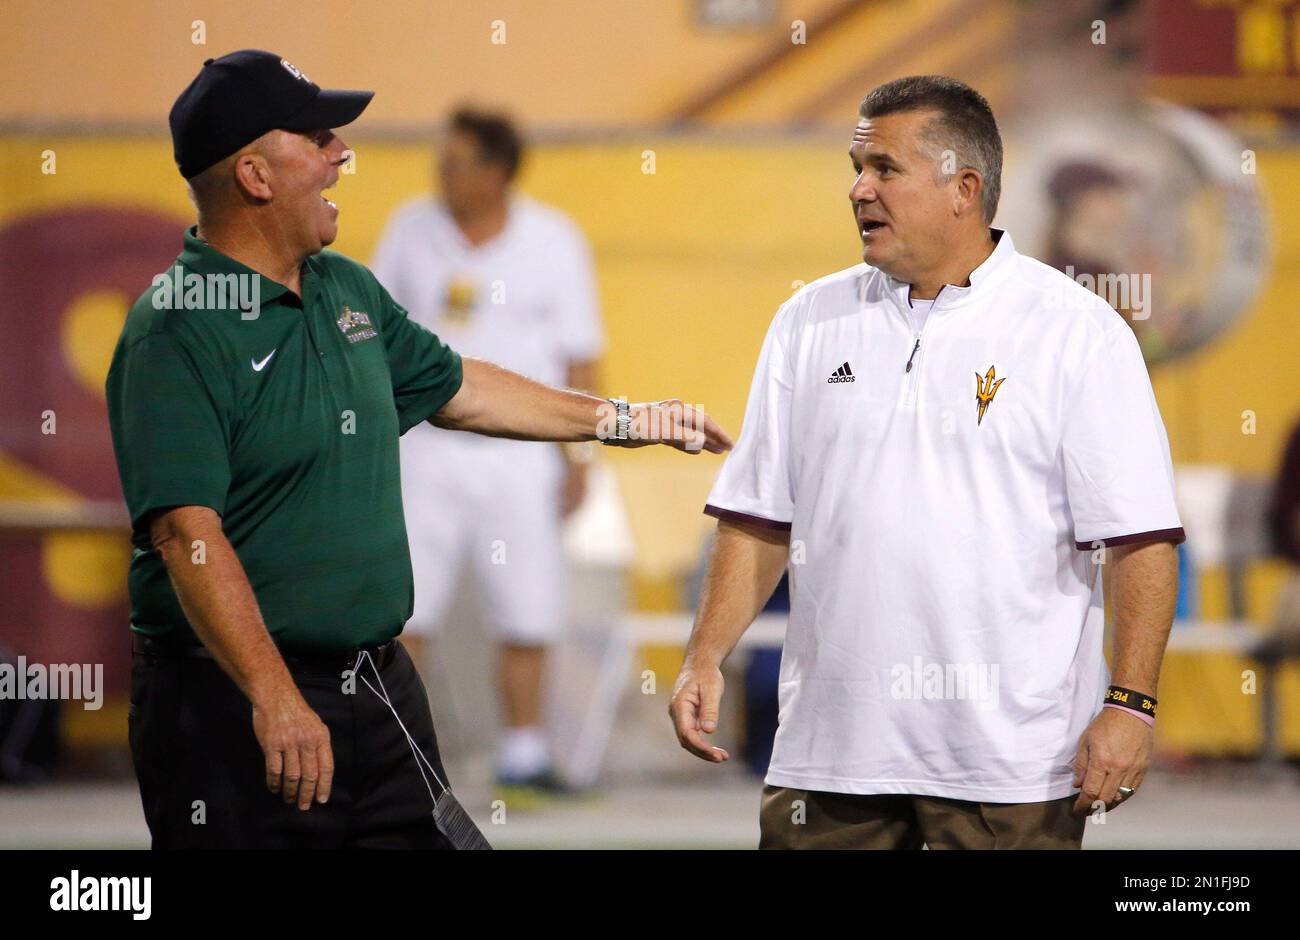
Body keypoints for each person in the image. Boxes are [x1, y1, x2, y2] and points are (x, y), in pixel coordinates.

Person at [105, 49, 730, 849]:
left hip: (375, 686)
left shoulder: (344, 288)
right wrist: (275, 697)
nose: (342, 154)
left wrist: (625, 420)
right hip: (237, 697)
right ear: (256, 176)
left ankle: (525, 750)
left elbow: (459, 387)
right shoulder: (177, 326)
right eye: (319, 137)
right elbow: (186, 534)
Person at [669, 75, 1183, 850]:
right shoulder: (808, 321)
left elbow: (1139, 538)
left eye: (884, 169)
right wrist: (703, 655)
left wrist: (1131, 705)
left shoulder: (1078, 333)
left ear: (962, 187)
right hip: (829, 764)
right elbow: (759, 513)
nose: (857, 189)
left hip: (1010, 769)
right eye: (856, 165)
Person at [370, 109, 602, 795]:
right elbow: (373, 339)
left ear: (499, 171)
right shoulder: (409, 231)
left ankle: (524, 755)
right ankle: (397, 753)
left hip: (522, 451)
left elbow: (581, 354)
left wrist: (580, 458)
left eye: (457, 161)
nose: (443, 174)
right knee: (405, 607)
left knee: (528, 602)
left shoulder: (554, 241)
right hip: (424, 448)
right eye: (440, 160)